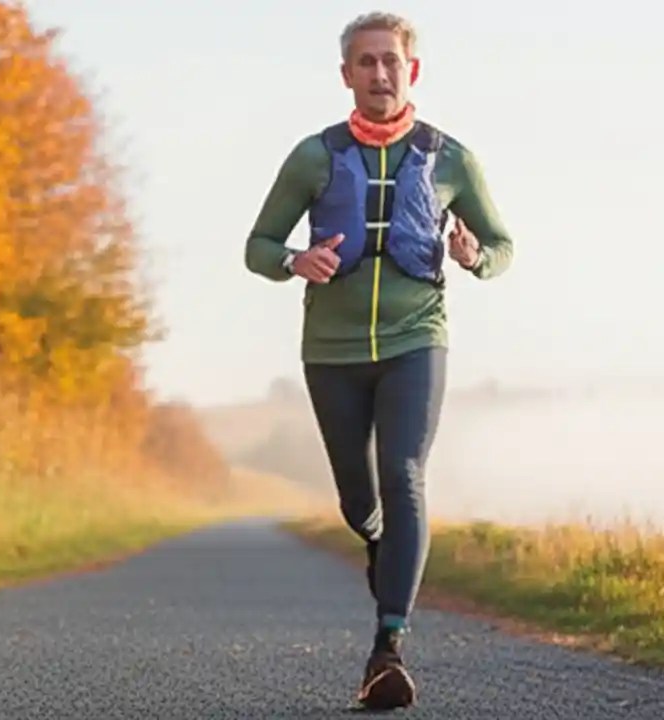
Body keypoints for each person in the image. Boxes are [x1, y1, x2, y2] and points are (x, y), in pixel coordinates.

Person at [243, 10, 515, 711]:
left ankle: (387, 646)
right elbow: (258, 246)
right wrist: (292, 259)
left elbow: (502, 245)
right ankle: (375, 544)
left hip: (416, 340)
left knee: (405, 476)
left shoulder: (451, 157)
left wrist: (473, 256)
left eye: (390, 61)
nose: (379, 73)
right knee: (360, 502)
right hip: (330, 351)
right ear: (347, 75)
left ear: (411, 70)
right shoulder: (314, 155)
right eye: (365, 62)